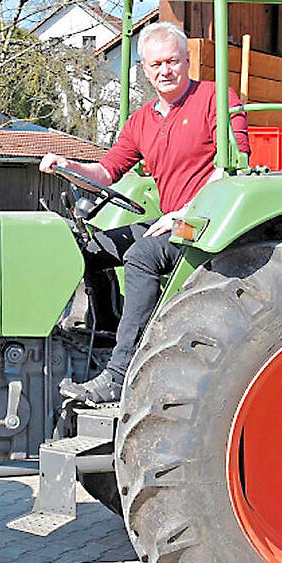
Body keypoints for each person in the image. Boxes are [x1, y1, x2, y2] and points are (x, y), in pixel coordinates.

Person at [39, 21, 250, 403]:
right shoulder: (141, 121)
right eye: (156, 64)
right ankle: (105, 335)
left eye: (172, 61)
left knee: (142, 255)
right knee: (86, 250)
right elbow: (107, 172)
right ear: (145, 70)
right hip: (171, 219)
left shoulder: (216, 98)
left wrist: (185, 211)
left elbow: (232, 167)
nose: (165, 70)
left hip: (206, 222)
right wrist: (68, 166)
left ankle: (120, 374)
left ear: (186, 61)